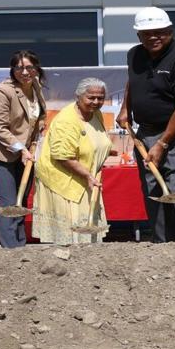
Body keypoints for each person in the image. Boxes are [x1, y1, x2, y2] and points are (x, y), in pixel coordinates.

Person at [116, 6, 175, 241]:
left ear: (170, 31)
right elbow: (133, 81)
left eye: (160, 32)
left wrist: (162, 143)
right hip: (147, 129)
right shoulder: (135, 54)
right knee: (153, 186)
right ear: (139, 36)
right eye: (147, 33)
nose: (154, 37)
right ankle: (163, 245)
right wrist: (125, 108)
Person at [34, 78, 112, 245]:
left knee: (86, 237)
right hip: (64, 180)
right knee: (69, 237)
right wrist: (88, 175)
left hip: (86, 177)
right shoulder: (66, 121)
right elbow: (64, 157)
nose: (96, 102)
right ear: (78, 96)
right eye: (91, 98)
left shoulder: (95, 114)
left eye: (100, 98)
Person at [0, 50, 47, 248]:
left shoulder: (35, 85)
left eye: (29, 67)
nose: (24, 72)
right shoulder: (4, 91)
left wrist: (40, 125)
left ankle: (20, 245)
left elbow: (38, 114)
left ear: (36, 69)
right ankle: (10, 250)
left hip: (26, 153)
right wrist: (21, 149)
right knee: (8, 202)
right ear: (12, 70)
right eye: (19, 68)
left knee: (21, 201)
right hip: (2, 155)